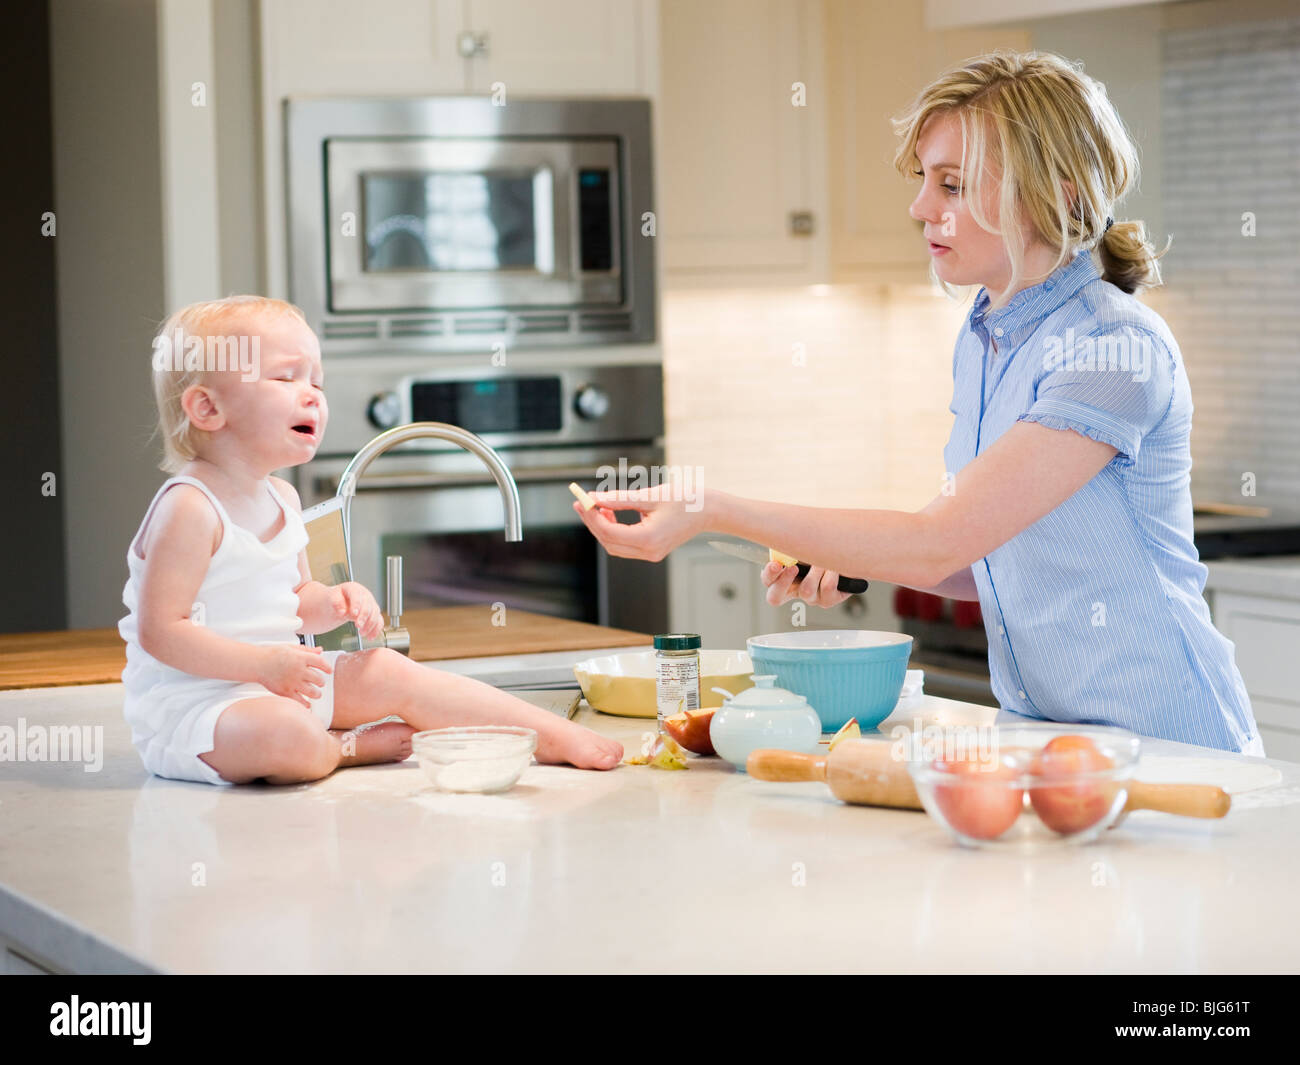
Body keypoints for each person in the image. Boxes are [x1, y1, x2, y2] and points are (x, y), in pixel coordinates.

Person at [573, 51, 1262, 756]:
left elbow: (941, 542)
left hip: (1172, 747)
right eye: (924, 179)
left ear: (1052, 195)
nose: (920, 207)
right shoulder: (985, 335)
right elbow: (994, 558)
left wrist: (712, 507)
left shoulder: (1113, 345)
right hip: (1050, 743)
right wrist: (844, 558)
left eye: (953, 185)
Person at [119, 295, 622, 786]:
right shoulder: (189, 507)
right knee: (284, 733)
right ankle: (341, 746)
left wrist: (334, 602)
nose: (313, 394)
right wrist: (263, 666)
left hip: (283, 681)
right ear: (207, 408)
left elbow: (295, 603)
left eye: (317, 381)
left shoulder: (282, 497)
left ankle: (548, 735)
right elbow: (161, 631)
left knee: (387, 669)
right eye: (285, 377)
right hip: (201, 710)